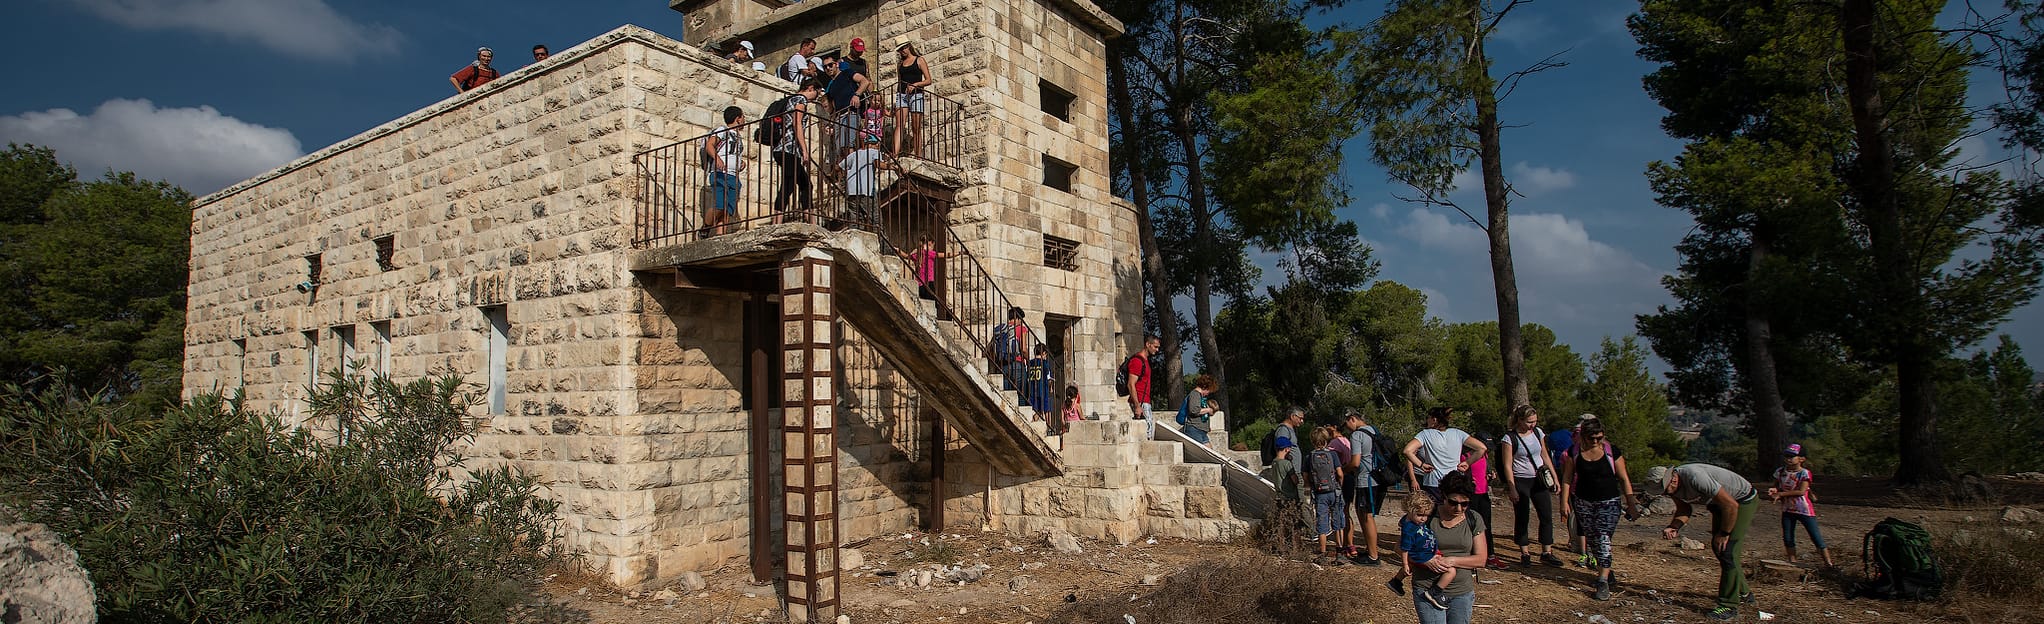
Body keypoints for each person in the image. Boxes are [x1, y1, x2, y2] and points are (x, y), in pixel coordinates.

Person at [1648, 462, 1760, 621]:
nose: (1665, 494)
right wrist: (1674, 526)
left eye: (1665, 490)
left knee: (1727, 550)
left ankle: (1728, 606)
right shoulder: (1672, 487)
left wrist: (1725, 532)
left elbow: (1731, 505)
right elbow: (1684, 509)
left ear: (1672, 480)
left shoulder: (1695, 477)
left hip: (1741, 501)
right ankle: (1744, 593)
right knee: (1719, 549)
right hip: (1719, 505)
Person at [1557, 419, 1640, 601]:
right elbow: (1567, 478)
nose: (1595, 441)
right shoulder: (1574, 452)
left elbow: (1624, 478)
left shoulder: (1611, 452)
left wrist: (1631, 504)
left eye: (1599, 438)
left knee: (1603, 537)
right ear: (1583, 436)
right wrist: (1564, 503)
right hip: (1583, 501)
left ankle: (1602, 580)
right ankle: (1606, 569)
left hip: (1609, 502)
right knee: (1592, 539)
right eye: (1591, 438)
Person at [1402, 472, 1487, 623]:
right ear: (1443, 496)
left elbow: (1481, 559)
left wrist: (1451, 561)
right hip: (1426, 588)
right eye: (1453, 502)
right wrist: (1425, 560)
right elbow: (1401, 548)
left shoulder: (1474, 519)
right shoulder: (1426, 516)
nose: (1459, 508)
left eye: (1464, 504)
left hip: (1461, 592)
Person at [1501, 404, 1563, 567]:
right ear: (1520, 420)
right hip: (1521, 479)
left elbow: (1544, 454)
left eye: (1534, 421)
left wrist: (1554, 477)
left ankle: (1547, 551)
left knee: (1546, 514)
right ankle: (1525, 552)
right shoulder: (1509, 438)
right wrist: (1512, 487)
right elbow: (1507, 464)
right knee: (1522, 515)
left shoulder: (1537, 432)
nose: (1532, 424)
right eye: (1529, 422)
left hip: (1539, 478)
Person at [1404, 407, 1488, 501]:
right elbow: (1482, 448)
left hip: (1433, 481)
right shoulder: (1458, 433)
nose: (1427, 420)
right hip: (1454, 481)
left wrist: (1421, 465)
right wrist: (1468, 462)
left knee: (1433, 511)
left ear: (1434, 419)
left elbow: (1407, 450)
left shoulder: (1425, 434)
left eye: (1428, 418)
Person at [1770, 444, 1834, 567]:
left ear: (1801, 459)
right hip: (1788, 509)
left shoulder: (1804, 473)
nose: (1788, 459)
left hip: (1803, 509)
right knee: (1788, 537)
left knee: (1815, 537)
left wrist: (1781, 494)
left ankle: (1828, 564)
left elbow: (1801, 491)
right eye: (1787, 456)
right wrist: (1774, 490)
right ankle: (1792, 563)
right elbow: (1776, 485)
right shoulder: (1780, 472)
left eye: (1792, 456)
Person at [1387, 492, 1451, 609]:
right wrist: (1405, 563)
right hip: (1423, 554)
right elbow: (1404, 548)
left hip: (1424, 550)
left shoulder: (1411, 521)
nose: (1423, 518)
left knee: (1411, 565)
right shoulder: (1409, 529)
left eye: (1426, 515)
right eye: (1420, 515)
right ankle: (1435, 592)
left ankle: (1396, 581)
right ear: (1410, 511)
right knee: (1451, 571)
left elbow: (1404, 520)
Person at [772, 80, 822, 222]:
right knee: (789, 185)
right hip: (788, 149)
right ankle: (777, 222)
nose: (816, 98)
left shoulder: (791, 99)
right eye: (817, 94)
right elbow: (797, 123)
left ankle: (810, 221)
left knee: (804, 183)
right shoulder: (801, 99)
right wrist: (804, 150)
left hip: (783, 149)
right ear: (811, 88)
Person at [1342, 409, 1385, 565]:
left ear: (1352, 419)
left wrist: (1342, 470)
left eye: (1346, 423)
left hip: (1365, 480)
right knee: (1366, 515)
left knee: (1366, 516)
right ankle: (1370, 551)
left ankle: (1373, 556)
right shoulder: (1374, 431)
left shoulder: (1357, 435)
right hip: (1377, 479)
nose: (1347, 428)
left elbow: (1355, 462)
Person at [702, 106, 747, 236]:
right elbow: (710, 145)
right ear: (738, 119)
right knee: (720, 205)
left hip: (734, 175)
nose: (744, 120)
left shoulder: (737, 137)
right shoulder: (723, 130)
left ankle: (720, 235)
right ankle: (706, 227)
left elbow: (732, 153)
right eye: (743, 117)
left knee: (728, 208)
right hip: (720, 173)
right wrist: (718, 160)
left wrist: (740, 163)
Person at [1306, 426, 1348, 566]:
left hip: (1319, 494)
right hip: (1334, 492)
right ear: (1326, 440)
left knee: (1322, 523)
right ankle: (1340, 553)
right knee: (1338, 523)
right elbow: (1340, 474)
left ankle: (1322, 553)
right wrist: (1339, 485)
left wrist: (1311, 486)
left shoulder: (1309, 457)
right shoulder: (1333, 455)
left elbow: (1306, 477)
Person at [836, 133, 893, 225]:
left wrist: (832, 176)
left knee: (856, 219)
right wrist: (893, 167)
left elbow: (837, 167)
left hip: (851, 190)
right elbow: (878, 164)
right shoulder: (874, 152)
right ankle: (879, 239)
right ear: (876, 144)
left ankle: (855, 236)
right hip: (865, 190)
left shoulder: (854, 154)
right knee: (875, 219)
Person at [1468, 437, 1507, 570]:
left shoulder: (1484, 455)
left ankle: (1490, 555)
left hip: (1483, 493)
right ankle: (1472, 555)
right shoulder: (1465, 455)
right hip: (1471, 495)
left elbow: (1484, 471)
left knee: (1486, 525)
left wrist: (1490, 476)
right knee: (1471, 525)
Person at [892, 42, 933, 157]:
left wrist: (916, 84)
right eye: (900, 50)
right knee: (900, 125)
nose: (902, 51)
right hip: (902, 95)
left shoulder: (919, 60)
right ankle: (895, 153)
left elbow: (928, 80)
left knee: (916, 126)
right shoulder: (900, 64)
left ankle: (918, 155)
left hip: (916, 94)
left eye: (903, 48)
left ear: (908, 47)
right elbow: (900, 81)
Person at [897, 235, 956, 300]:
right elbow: (947, 255)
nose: (932, 248)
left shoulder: (917, 254)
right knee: (934, 303)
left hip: (919, 284)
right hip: (928, 282)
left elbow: (905, 255)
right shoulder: (930, 253)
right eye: (930, 245)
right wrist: (959, 253)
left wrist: (898, 250)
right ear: (925, 245)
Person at [992, 307, 1031, 396]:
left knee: (1007, 396)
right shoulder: (1021, 328)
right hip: (1017, 365)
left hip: (1004, 365)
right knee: (1021, 396)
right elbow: (1023, 349)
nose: (1021, 322)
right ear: (1017, 318)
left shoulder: (1003, 329)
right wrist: (1028, 361)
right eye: (1021, 319)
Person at [828, 38, 872, 114]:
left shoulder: (864, 62)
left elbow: (868, 79)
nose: (859, 53)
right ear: (851, 48)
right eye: (857, 50)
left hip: (863, 96)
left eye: (861, 51)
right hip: (849, 98)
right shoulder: (842, 61)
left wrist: (872, 95)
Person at [1126, 335, 1158, 438]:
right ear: (1148, 344)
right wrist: (1137, 405)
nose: (1156, 350)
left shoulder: (1145, 361)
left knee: (1148, 431)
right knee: (1147, 432)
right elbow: (1131, 384)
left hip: (1144, 400)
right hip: (1140, 401)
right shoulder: (1137, 361)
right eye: (1155, 346)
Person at [1175, 374, 1219, 445]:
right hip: (1194, 429)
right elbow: (1194, 410)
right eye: (1208, 390)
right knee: (1203, 454)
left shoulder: (1200, 396)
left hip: (1200, 430)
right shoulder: (1195, 394)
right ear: (1205, 387)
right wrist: (1208, 410)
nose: (1208, 393)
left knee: (1209, 453)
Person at [1025, 344, 1055, 419]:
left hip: (1032, 389)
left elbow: (1028, 375)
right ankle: (1049, 428)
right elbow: (1048, 378)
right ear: (1044, 353)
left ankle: (1035, 419)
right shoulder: (1045, 363)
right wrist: (1051, 387)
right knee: (1046, 409)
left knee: (1036, 409)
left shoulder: (1030, 363)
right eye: (1046, 354)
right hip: (1043, 389)